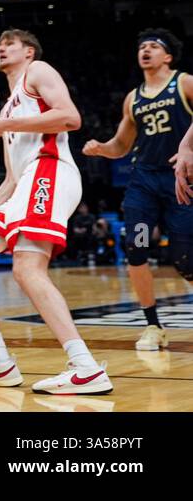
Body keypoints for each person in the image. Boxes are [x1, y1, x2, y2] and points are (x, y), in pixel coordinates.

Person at [0, 29, 111, 395]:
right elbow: (10, 179)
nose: (2, 48)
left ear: (29, 51)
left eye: (10, 44)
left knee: (26, 267)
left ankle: (85, 368)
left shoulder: (37, 71)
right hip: (25, 184)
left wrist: (5, 125)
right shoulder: (7, 106)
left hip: (51, 170)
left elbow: (70, 117)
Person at [82, 29, 193, 352]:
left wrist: (187, 148)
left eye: (153, 47)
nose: (145, 50)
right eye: (141, 46)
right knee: (136, 248)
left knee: (185, 260)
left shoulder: (184, 83)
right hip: (144, 181)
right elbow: (121, 145)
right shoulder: (134, 98)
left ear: (168, 56)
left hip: (180, 182)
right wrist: (102, 148)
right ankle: (153, 326)